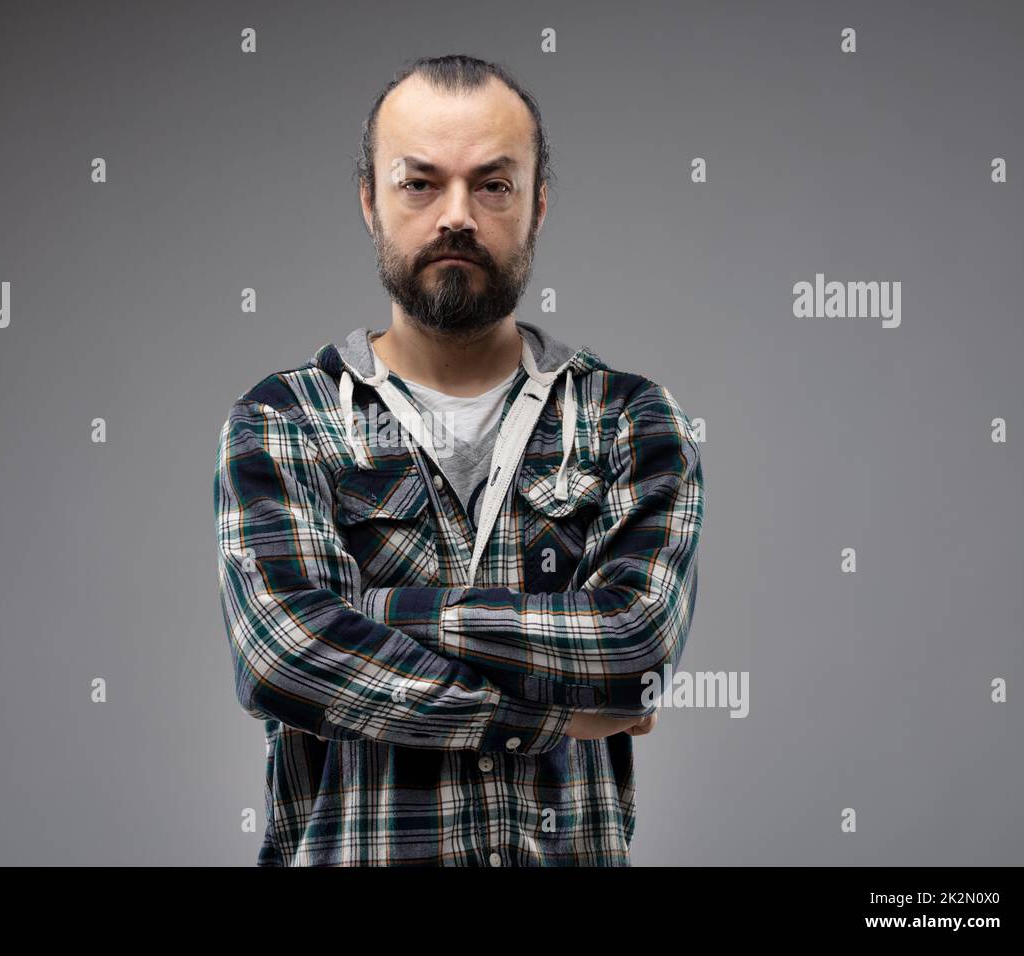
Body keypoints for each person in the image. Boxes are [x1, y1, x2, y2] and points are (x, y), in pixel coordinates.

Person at [213, 54, 704, 866]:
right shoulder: (284, 418)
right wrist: (537, 717)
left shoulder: (630, 419)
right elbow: (284, 657)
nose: (457, 215)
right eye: (419, 183)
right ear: (370, 202)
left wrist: (374, 609)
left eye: (493, 185)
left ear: (538, 205)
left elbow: (634, 648)